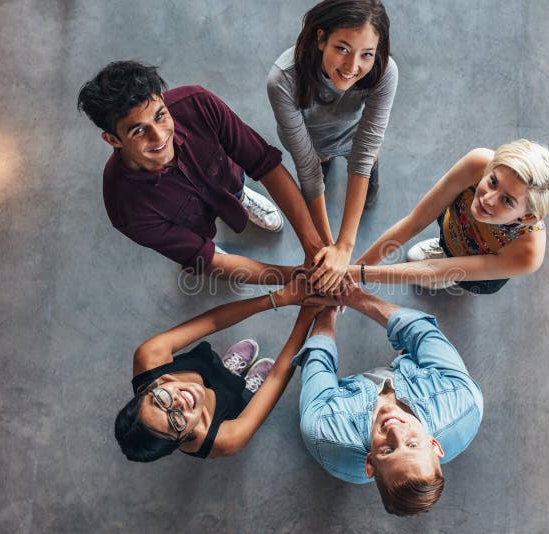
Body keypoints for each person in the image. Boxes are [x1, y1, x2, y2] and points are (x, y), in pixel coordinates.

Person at [78, 61, 323, 283]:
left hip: (227, 179)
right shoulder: (126, 209)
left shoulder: (197, 103)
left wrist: (313, 247)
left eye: (160, 115)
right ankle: (213, 240)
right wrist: (296, 277)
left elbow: (264, 162)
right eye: (139, 131)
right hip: (193, 227)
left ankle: (240, 197)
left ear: (163, 101)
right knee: (204, 251)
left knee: (234, 185)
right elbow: (206, 259)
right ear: (113, 139)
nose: (160, 136)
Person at [293, 286, 483, 516]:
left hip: (345, 401)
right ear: (434, 445)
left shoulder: (323, 432)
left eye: (386, 450)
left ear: (369, 463)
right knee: (419, 346)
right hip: (413, 371)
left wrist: (327, 309)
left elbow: (318, 359)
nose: (395, 431)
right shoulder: (461, 398)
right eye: (413, 444)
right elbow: (421, 332)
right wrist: (353, 295)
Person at [267, 0, 397, 292]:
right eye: (342, 48)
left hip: (355, 139)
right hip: (310, 144)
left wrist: (345, 247)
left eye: (366, 54)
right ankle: (329, 162)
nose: (353, 67)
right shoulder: (283, 80)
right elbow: (307, 170)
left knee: (368, 171)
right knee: (318, 172)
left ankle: (364, 194)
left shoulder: (385, 72)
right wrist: (328, 251)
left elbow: (363, 154)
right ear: (321, 38)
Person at [115, 278, 320, 461]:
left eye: (160, 400)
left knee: (220, 371)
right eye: (175, 422)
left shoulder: (149, 357)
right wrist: (308, 313)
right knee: (248, 397)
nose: (177, 402)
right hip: (229, 407)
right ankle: (246, 390)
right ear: (184, 439)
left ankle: (226, 370)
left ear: (146, 391)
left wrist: (279, 298)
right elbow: (276, 378)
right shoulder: (225, 441)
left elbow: (212, 322)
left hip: (208, 366)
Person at [348, 140, 549, 294]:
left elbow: (435, 269)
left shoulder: (527, 254)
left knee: (449, 272)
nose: (488, 199)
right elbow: (414, 221)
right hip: (454, 227)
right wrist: (355, 270)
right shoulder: (478, 163)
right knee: (444, 239)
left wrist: (357, 275)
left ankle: (452, 271)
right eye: (492, 181)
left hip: (480, 262)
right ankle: (446, 247)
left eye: (507, 201)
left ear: (527, 217)